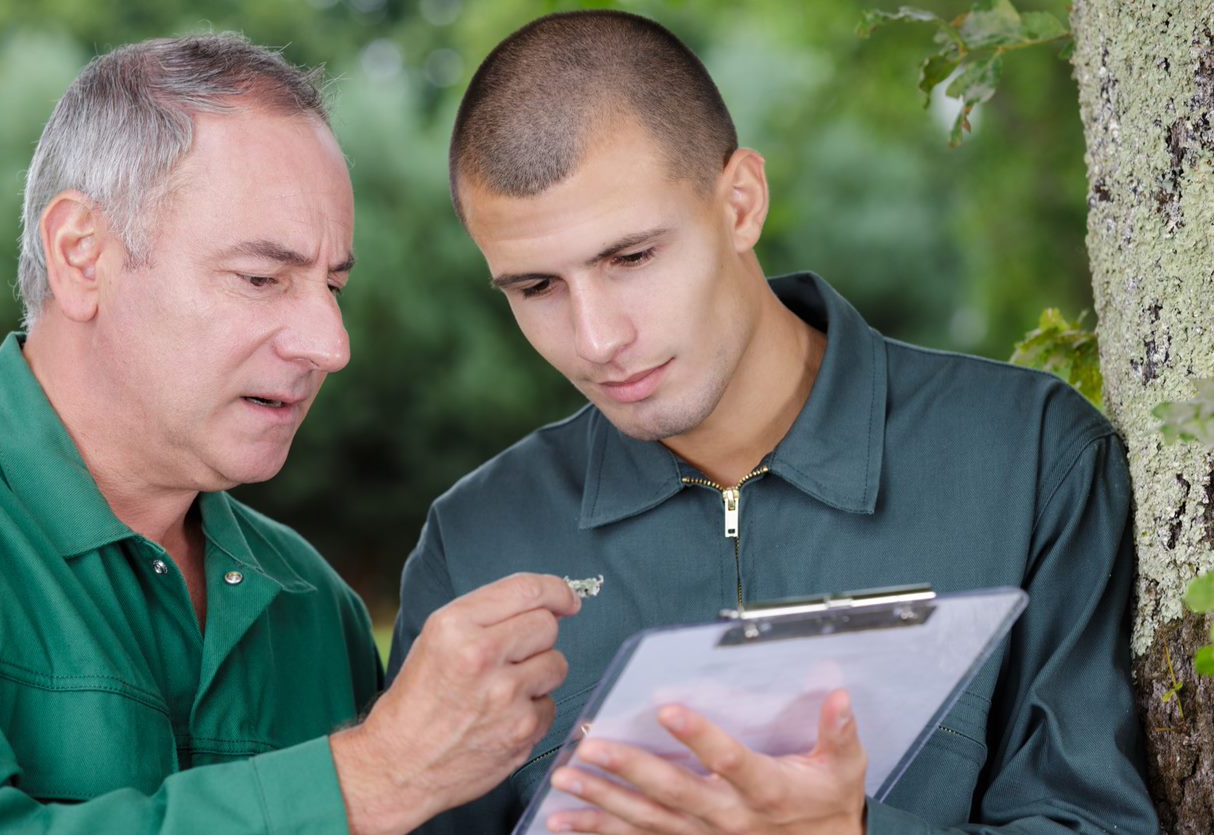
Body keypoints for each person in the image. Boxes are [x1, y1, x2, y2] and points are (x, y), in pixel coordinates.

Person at [389, 9, 1157, 834]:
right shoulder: (473, 545)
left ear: (742, 203)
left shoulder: (1033, 459)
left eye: (632, 257)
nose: (598, 338)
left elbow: (1097, 822)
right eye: (536, 287)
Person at [0, 34, 581, 834]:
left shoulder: (315, 605)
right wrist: (368, 777)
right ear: (83, 255)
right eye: (262, 279)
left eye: (332, 284)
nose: (331, 344)